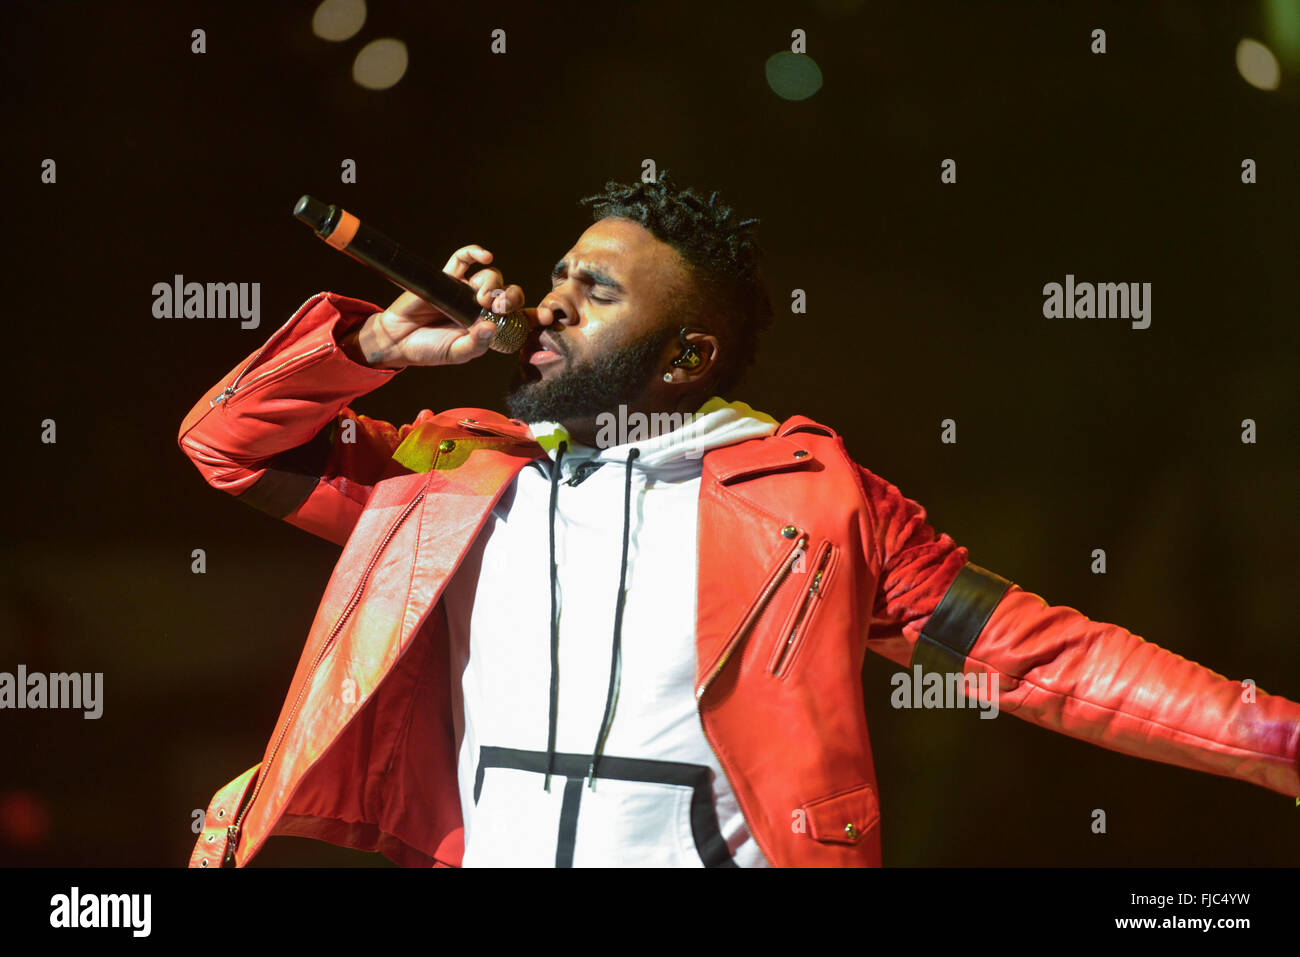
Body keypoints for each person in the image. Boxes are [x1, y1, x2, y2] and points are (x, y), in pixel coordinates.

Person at [181, 173, 1300, 868]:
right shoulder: (457, 473)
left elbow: (1049, 660)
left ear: (685, 356)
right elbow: (226, 445)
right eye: (561, 275)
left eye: (599, 291)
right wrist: (373, 351)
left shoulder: (816, 502)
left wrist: (1281, 741)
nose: (551, 297)